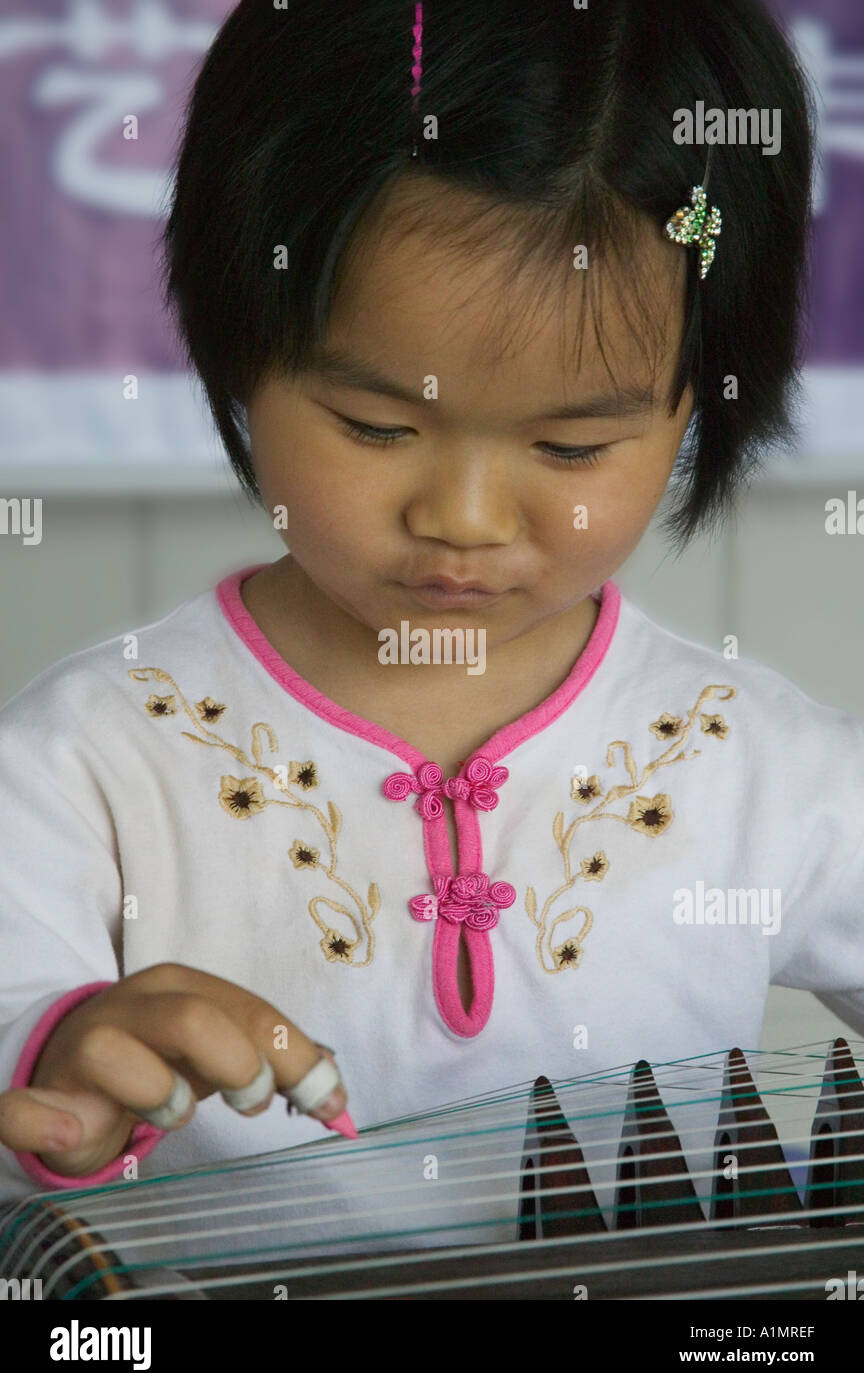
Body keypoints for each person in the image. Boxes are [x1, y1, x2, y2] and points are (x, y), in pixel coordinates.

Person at [0, 0, 860, 1224]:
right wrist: (64, 1048)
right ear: (242, 340)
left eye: (572, 446)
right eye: (377, 427)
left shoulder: (769, 767)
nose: (462, 516)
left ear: (699, 411)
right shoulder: (85, 759)